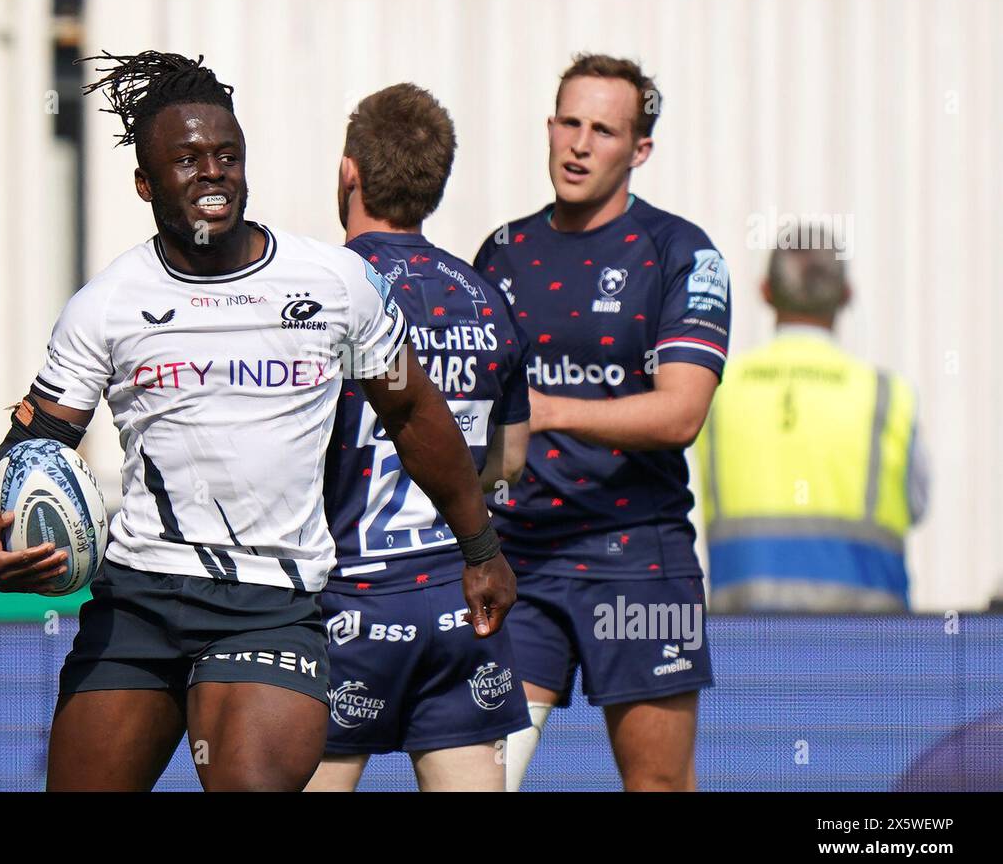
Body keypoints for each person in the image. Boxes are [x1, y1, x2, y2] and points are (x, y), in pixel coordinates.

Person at [0, 51, 517, 791]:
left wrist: (480, 547)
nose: (212, 172)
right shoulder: (108, 304)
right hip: (141, 602)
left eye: (227, 156)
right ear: (145, 184)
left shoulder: (336, 284)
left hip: (270, 609)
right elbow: (33, 444)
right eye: (186, 160)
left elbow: (411, 409)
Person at [475, 53, 730, 792]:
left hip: (639, 565)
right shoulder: (503, 252)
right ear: (550, 127)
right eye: (569, 122)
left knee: (657, 786)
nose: (580, 144)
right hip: (518, 560)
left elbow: (682, 412)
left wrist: (549, 412)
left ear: (639, 150)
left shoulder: (681, 252)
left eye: (604, 131)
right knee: (484, 781)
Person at [305, 84, 532, 792]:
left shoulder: (323, 290)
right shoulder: (483, 296)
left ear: (350, 172)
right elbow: (512, 461)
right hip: (461, 599)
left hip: (346, 599)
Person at [695, 234, 928, 612]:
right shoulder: (887, 394)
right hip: (873, 646)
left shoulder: (717, 388)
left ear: (765, 292)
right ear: (847, 295)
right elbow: (918, 505)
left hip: (744, 642)